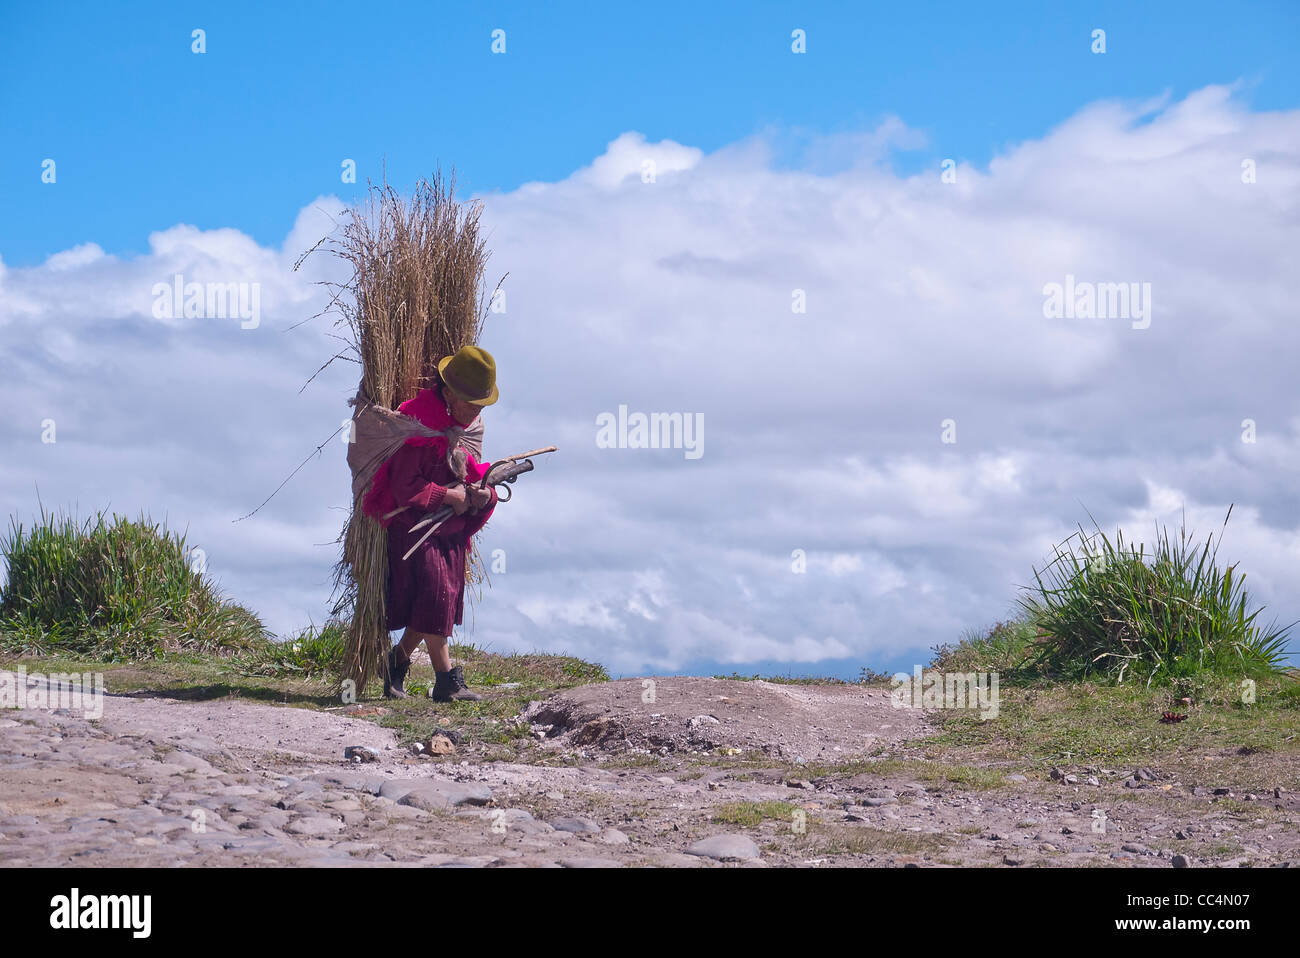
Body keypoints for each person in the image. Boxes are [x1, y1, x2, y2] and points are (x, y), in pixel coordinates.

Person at [361, 345, 500, 700]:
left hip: (447, 532)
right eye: (470, 404)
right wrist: (448, 496)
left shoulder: (464, 429)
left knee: (440, 600)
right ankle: (446, 681)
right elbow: (404, 486)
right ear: (449, 393)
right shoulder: (417, 423)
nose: (475, 413)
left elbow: (473, 475)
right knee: (437, 594)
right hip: (413, 528)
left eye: (480, 406)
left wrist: (482, 496)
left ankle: (396, 663)